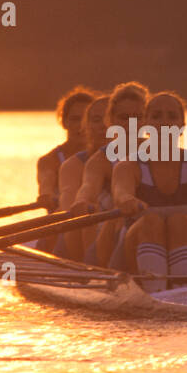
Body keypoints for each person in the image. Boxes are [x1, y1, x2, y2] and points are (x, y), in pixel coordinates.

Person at [112, 91, 187, 292]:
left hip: (186, 234)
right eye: (156, 116)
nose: (164, 122)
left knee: (180, 221)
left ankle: (179, 291)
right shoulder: (127, 166)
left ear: (182, 126)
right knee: (151, 220)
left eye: (172, 116)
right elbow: (121, 193)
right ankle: (161, 291)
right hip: (131, 249)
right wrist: (127, 200)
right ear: (144, 125)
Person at [68, 81, 149, 263]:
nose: (131, 124)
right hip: (107, 245)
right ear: (111, 120)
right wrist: (82, 200)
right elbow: (88, 187)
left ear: (147, 120)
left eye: (137, 117)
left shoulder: (163, 154)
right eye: (124, 118)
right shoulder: (100, 161)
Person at [56, 94, 109, 261]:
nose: (104, 126)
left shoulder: (149, 156)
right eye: (97, 120)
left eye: (108, 119)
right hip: (76, 243)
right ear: (86, 127)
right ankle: (89, 269)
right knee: (86, 219)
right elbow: (70, 209)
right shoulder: (73, 165)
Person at [35, 86, 96, 210]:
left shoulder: (106, 157)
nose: (81, 126)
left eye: (86, 119)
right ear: (64, 122)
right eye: (75, 119)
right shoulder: (50, 161)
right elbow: (46, 180)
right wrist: (46, 195)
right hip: (64, 222)